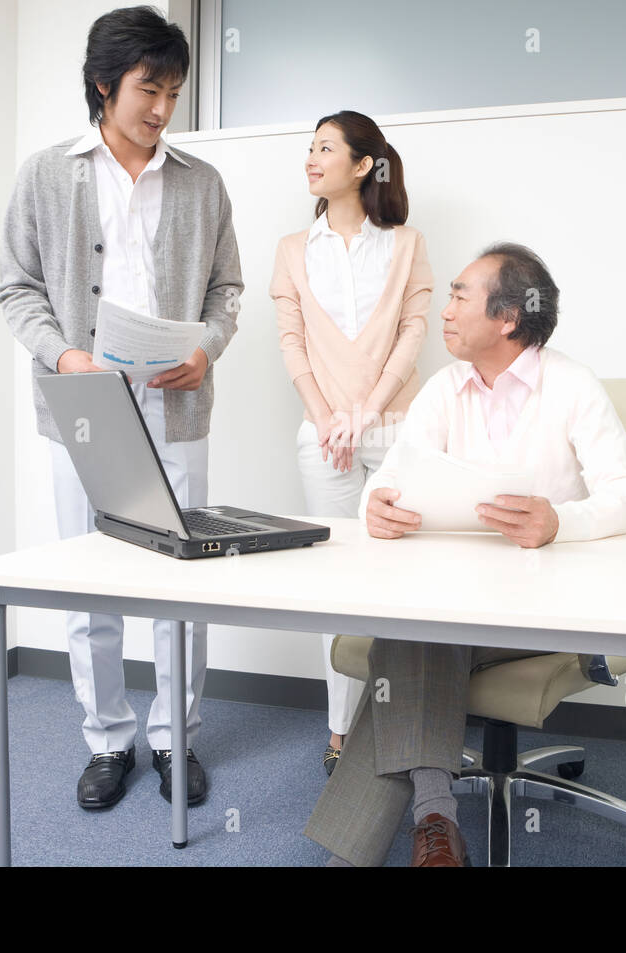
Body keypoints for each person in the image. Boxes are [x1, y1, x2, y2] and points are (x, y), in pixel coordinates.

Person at [302, 243, 626, 866]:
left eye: (461, 294)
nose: (446, 308)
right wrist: (375, 506)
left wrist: (558, 522)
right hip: (453, 599)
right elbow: (392, 484)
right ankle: (436, 830)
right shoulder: (444, 389)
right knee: (421, 625)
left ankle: (388, 839)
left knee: (409, 636)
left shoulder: (571, 386)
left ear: (508, 317)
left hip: (544, 610)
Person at [0, 6, 242, 811]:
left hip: (177, 408)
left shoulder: (202, 183)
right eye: (149, 88)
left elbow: (226, 290)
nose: (163, 107)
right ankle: (107, 741)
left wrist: (205, 346)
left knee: (185, 584)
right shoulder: (43, 174)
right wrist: (67, 357)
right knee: (88, 580)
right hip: (86, 407)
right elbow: (18, 289)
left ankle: (176, 740)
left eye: (174, 90)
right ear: (105, 85)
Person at [269, 111, 433, 775]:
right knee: (335, 583)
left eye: (326, 148)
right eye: (309, 148)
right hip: (323, 438)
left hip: (393, 430)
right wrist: (328, 417)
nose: (311, 158)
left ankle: (404, 722)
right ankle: (341, 731)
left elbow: (415, 334)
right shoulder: (291, 250)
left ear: (364, 165)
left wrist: (362, 413)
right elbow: (292, 342)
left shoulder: (405, 244)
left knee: (398, 576)